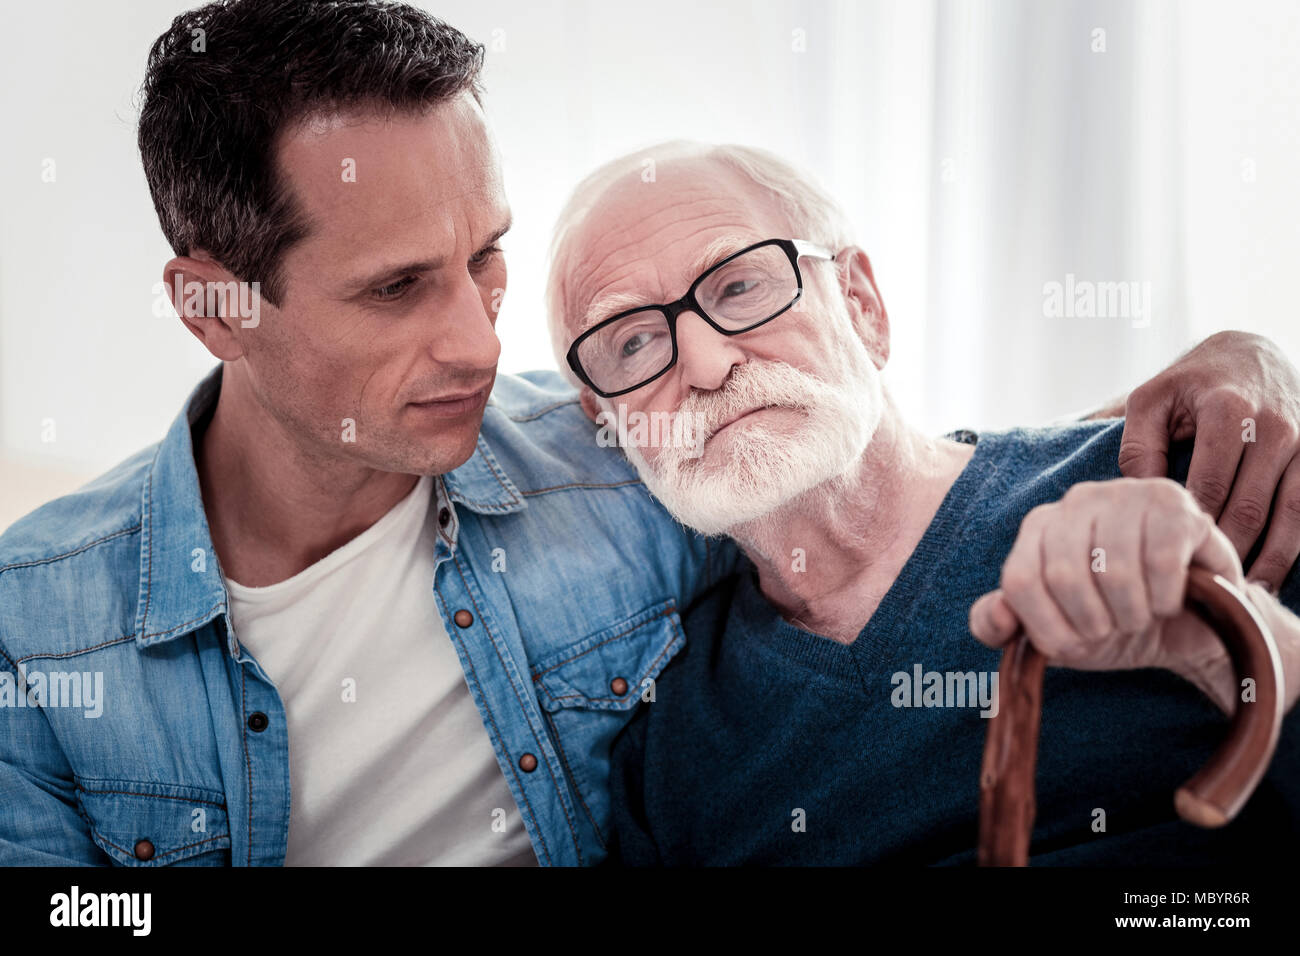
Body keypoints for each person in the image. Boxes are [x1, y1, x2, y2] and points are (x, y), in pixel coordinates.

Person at [0, 1, 1295, 868]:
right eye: (399, 287)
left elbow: (904, 483)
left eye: (488, 262)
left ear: (862, 296)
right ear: (213, 305)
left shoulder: (1175, 486)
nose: (471, 345)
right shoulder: (35, 639)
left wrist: (1231, 431)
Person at [543, 141, 1300, 864]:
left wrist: (1237, 649)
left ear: (861, 304)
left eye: (740, 287)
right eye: (633, 343)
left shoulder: (1187, 480)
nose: (705, 366)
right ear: (609, 420)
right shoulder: (670, 753)